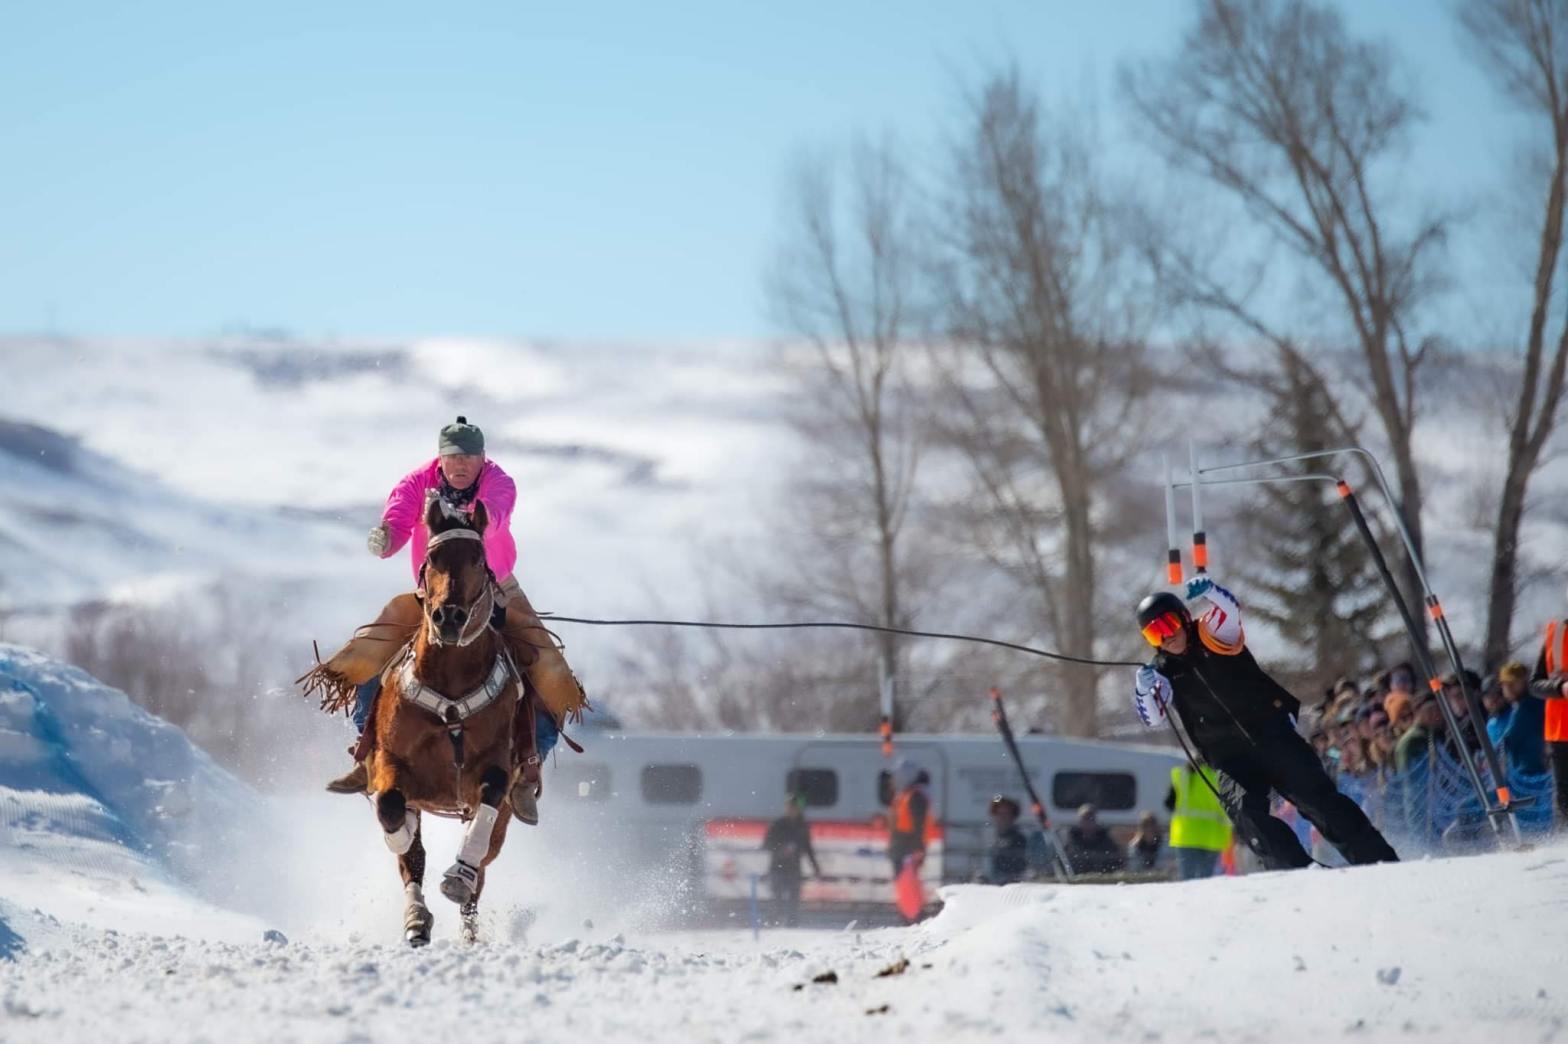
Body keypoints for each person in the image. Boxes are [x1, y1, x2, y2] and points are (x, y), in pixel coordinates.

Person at [307, 417, 588, 825]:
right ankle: (369, 754)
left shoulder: (498, 482)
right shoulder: (418, 482)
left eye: (469, 457)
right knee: (371, 652)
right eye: (453, 457)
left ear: (482, 458)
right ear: (441, 458)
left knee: (548, 667)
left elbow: (498, 511)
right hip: (435, 594)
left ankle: (527, 770)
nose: (461, 464)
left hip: (495, 585)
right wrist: (387, 536)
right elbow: (401, 514)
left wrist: (479, 517)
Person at [1133, 578, 1399, 870]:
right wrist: (1143, 691)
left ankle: (1378, 861)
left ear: (1183, 617)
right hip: (1228, 756)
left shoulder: (1211, 634)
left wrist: (1211, 592)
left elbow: (1229, 612)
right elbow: (1154, 716)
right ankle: (1296, 869)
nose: (1166, 637)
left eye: (1168, 625)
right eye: (1154, 634)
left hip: (1271, 734)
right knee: (1245, 813)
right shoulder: (1162, 672)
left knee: (1317, 798)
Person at [761, 794, 822, 927]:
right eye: (790, 807)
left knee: (794, 899)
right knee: (777, 898)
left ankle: (791, 925)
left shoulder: (802, 826)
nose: (792, 810)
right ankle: (773, 923)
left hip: (794, 868)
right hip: (777, 867)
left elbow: (808, 848)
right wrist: (781, 849)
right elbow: (766, 844)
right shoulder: (778, 824)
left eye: (794, 807)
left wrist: (815, 867)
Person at [1164, 761, 1231, 879]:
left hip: (1186, 836)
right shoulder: (1218, 777)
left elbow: (1169, 804)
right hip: (1212, 836)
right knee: (1205, 879)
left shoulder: (1182, 776)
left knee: (1187, 879)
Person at [1533, 612, 1568, 827]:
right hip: (1561, 733)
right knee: (1564, 800)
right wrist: (1559, 688)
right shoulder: (1557, 635)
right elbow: (1535, 684)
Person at [887, 761, 931, 876]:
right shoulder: (904, 796)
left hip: (907, 850)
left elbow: (919, 826)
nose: (892, 780)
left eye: (895, 777)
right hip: (901, 849)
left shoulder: (915, 797)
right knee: (903, 883)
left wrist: (918, 849)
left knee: (907, 882)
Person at [1064, 804, 1125, 874]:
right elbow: (1064, 864)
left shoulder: (1106, 841)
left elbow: (1117, 862)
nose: (1088, 822)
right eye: (1085, 818)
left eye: (1091, 819)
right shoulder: (1072, 841)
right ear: (1080, 821)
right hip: (1077, 880)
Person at [985, 796, 1029, 884]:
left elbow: (1018, 866)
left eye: (1006, 813)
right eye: (999, 813)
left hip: (1010, 885)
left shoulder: (1019, 838)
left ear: (1013, 816)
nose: (1002, 817)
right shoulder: (991, 837)